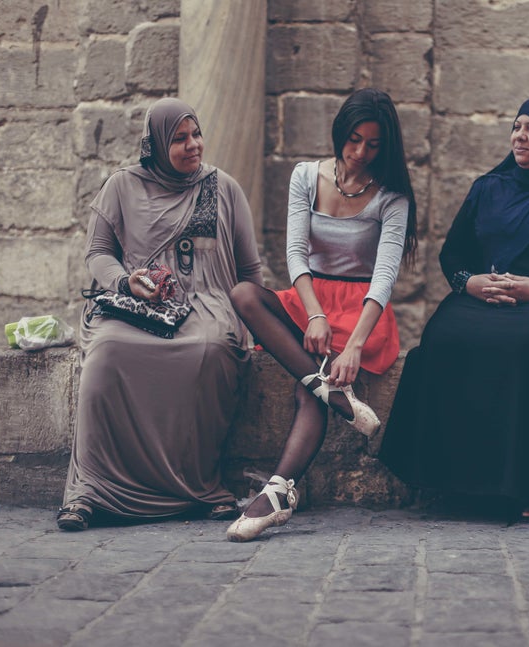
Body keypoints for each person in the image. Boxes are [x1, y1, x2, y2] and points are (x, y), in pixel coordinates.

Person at [378, 95, 529, 522]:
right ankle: (456, 479)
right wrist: (470, 283)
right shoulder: (489, 187)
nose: (521, 136)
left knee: (526, 346)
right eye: (517, 127)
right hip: (489, 295)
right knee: (441, 337)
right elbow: (452, 256)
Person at [57, 98, 264, 531]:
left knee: (210, 348)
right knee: (107, 352)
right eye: (180, 139)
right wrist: (124, 281)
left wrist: (254, 325)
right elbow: (98, 253)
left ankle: (197, 488)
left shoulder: (222, 187)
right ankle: (89, 493)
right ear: (155, 145)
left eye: (196, 135)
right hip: (139, 306)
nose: (193, 146)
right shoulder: (122, 186)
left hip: (207, 303)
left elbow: (248, 270)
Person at [225, 88, 417, 542]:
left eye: (372, 144)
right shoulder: (306, 176)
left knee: (302, 389)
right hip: (309, 299)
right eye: (353, 140)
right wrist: (313, 314)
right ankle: (331, 392)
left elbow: (384, 279)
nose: (359, 153)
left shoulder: (392, 197)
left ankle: (277, 493)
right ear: (339, 133)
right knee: (245, 295)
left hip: (360, 313)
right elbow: (296, 252)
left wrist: (351, 346)